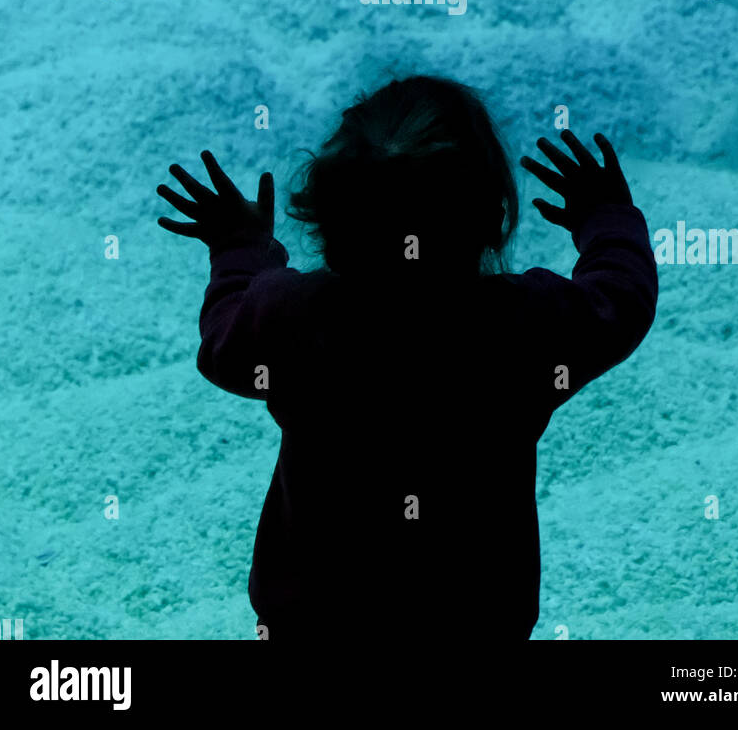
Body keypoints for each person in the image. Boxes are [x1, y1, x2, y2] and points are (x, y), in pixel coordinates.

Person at [157, 75, 658, 643]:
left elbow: (224, 342)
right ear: (493, 217)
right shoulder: (525, 326)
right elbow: (621, 301)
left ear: (325, 219)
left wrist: (238, 249)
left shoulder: (289, 317)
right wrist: (607, 217)